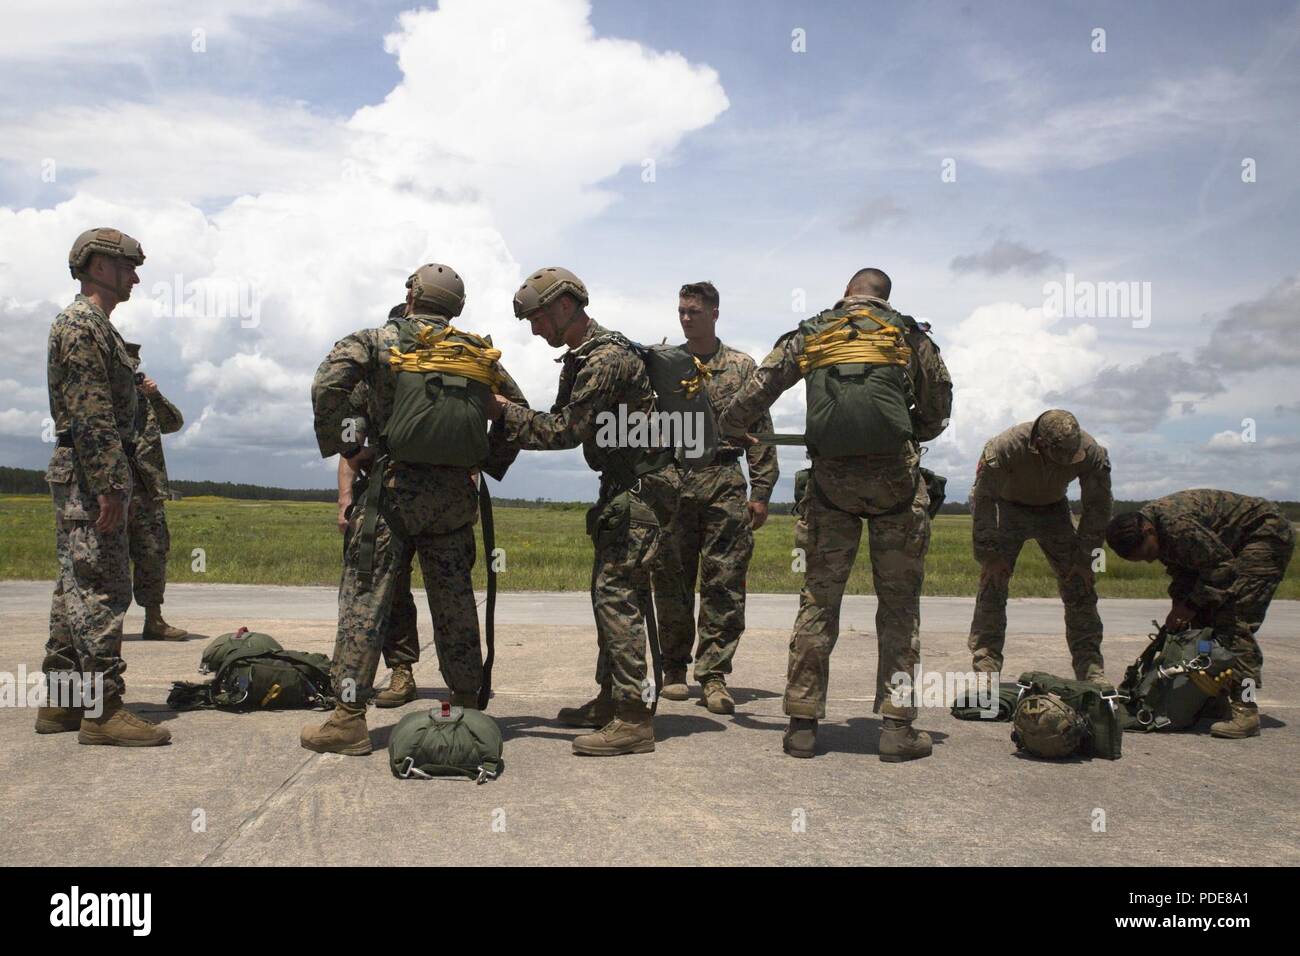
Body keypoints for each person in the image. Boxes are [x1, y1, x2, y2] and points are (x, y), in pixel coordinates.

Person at [718, 267, 952, 760]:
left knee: (819, 603)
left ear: (846, 294)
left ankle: (802, 723)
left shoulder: (811, 331)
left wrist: (735, 427)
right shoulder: (909, 335)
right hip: (896, 485)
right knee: (899, 608)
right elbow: (937, 412)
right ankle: (895, 726)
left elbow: (755, 393)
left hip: (831, 486)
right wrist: (904, 434)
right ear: (885, 297)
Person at [303, 264, 527, 755]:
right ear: (457, 306)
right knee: (454, 601)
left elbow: (327, 385)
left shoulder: (378, 340)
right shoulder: (475, 351)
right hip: (452, 501)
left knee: (365, 602)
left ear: (411, 296)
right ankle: (467, 705)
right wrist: (485, 461)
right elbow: (516, 408)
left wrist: (349, 444)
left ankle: (347, 719)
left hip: (390, 492)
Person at [488, 266, 681, 756]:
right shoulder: (583, 357)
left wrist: (500, 411)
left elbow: (563, 431)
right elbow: (559, 423)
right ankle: (613, 699)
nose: (534, 329)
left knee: (616, 596)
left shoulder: (606, 359)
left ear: (565, 306)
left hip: (641, 491)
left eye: (536, 318)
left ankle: (634, 719)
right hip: (625, 488)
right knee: (614, 594)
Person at [36, 226, 171, 746]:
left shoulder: (96, 327)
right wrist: (112, 485)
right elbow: (91, 415)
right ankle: (103, 710)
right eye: (127, 266)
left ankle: (63, 703)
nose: (135, 277)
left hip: (87, 475)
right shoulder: (82, 326)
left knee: (74, 586)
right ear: (97, 266)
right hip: (94, 478)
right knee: (101, 590)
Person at [652, 281, 777, 714]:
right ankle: (672, 669)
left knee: (723, 582)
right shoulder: (665, 364)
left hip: (723, 479)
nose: (686, 319)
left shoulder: (741, 367)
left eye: (695, 312)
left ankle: (714, 674)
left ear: (715, 314)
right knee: (670, 578)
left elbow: (760, 430)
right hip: (674, 480)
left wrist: (761, 491)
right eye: (682, 311)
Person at [1105, 490, 1295, 738]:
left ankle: (1246, 709)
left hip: (1264, 535)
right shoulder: (1157, 532)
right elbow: (1185, 572)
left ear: (1149, 531)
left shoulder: (1177, 528)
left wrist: (1190, 605)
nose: (1150, 561)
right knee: (1201, 625)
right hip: (1226, 547)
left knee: (1236, 623)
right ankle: (1213, 697)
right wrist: (1181, 609)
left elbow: (1222, 568)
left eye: (1148, 554)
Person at [967, 410, 1111, 682]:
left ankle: (1091, 670)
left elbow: (1099, 508)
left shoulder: (1092, 452)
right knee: (993, 583)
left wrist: (1088, 559)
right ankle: (985, 668)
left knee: (1080, 585)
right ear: (1041, 444)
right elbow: (984, 499)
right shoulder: (1005, 447)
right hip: (1006, 508)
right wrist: (989, 554)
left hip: (1054, 511)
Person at [123, 342, 188, 641]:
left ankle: (154, 620)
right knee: (110, 559)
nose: (133, 370)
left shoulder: (145, 400)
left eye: (136, 367)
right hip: (112, 488)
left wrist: (154, 395)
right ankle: (106, 624)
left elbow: (174, 423)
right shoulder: (101, 395)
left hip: (147, 491)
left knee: (153, 554)